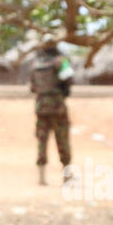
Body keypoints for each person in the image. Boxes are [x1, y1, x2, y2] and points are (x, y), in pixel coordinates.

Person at [29, 37, 75, 185]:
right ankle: (66, 176)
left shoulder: (35, 64)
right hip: (58, 107)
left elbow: (32, 88)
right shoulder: (61, 61)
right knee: (62, 140)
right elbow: (69, 81)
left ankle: (41, 178)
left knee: (42, 141)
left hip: (41, 107)